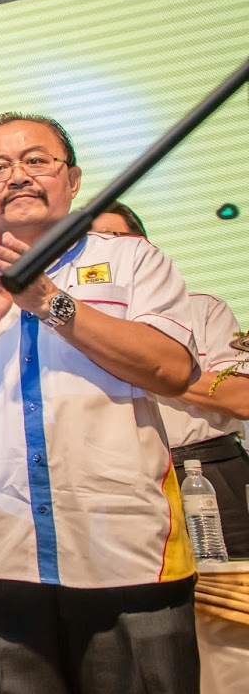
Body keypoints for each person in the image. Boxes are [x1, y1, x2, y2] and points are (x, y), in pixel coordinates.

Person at [0, 114, 201, 694]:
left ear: (73, 179)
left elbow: (173, 369)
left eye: (37, 161)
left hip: (127, 555)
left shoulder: (131, 260)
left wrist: (50, 302)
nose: (17, 177)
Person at [91, 202, 249, 555]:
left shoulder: (203, 308)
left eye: (115, 237)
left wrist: (144, 361)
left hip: (211, 471)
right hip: (121, 484)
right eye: (93, 243)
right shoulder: (75, 329)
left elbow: (242, 398)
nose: (108, 249)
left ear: (145, 247)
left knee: (235, 594)